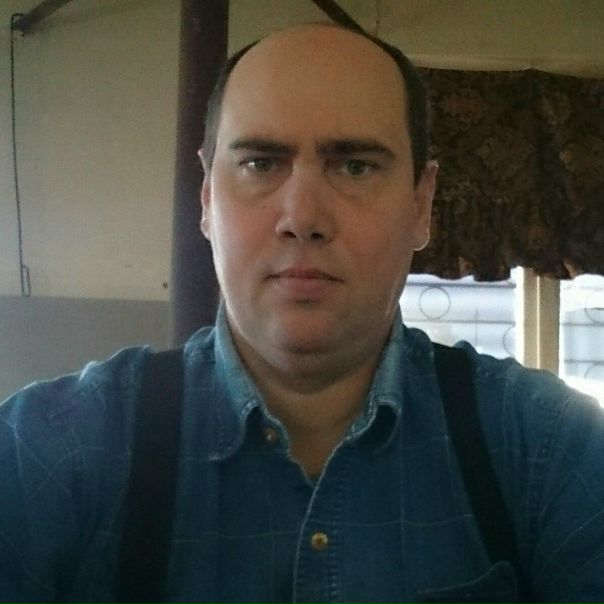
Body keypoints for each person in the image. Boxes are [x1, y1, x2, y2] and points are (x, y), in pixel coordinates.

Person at [1, 22, 604, 604]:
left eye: (356, 166)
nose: (303, 217)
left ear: (421, 204)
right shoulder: (46, 453)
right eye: (261, 163)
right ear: (207, 198)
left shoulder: (551, 450)